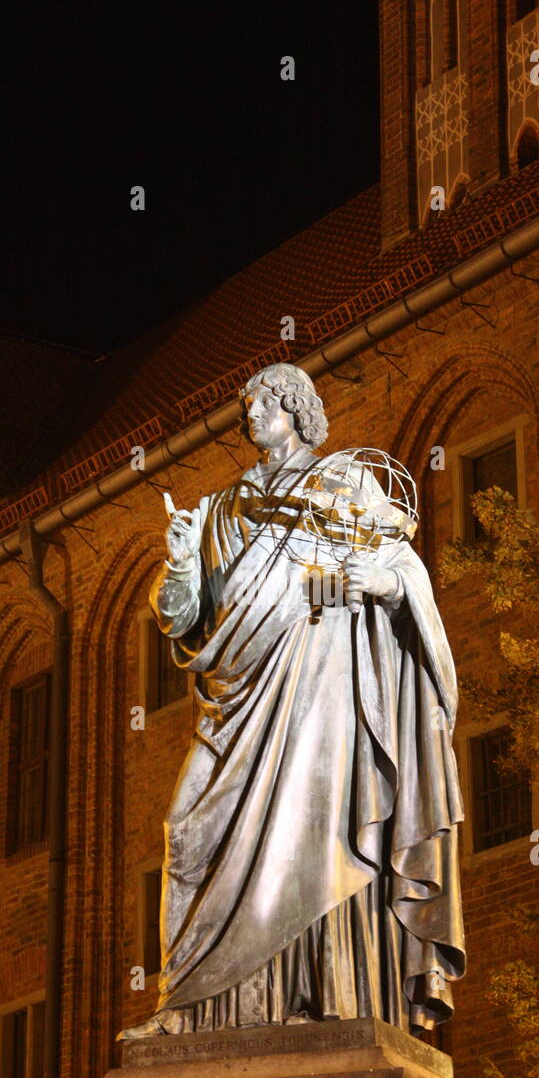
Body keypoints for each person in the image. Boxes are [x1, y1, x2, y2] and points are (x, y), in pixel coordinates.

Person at [121, 362, 465, 1038]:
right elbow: (188, 619)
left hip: (324, 694)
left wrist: (384, 584)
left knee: (320, 835)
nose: (250, 417)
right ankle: (197, 1007)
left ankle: (329, 995)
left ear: (297, 410)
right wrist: (184, 561)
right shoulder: (224, 509)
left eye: (263, 404)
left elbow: (399, 565)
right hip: (240, 700)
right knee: (188, 831)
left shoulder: (345, 481)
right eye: (246, 407)